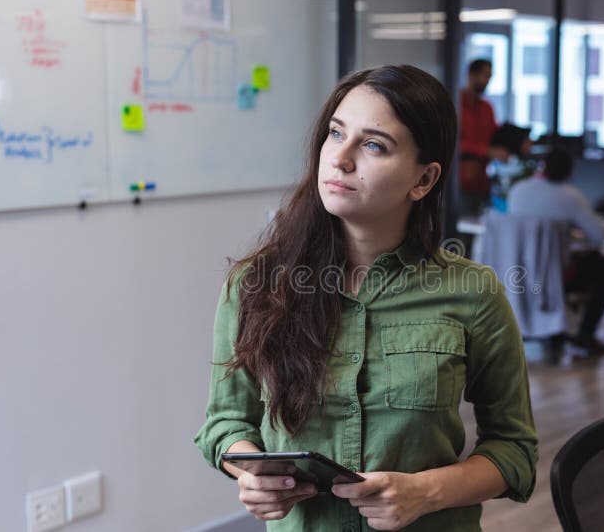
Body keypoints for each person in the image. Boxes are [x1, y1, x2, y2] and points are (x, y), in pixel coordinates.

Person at [194, 65, 537, 531]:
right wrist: (250, 471)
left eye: (373, 145)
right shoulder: (256, 284)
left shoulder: (473, 294)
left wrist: (425, 493)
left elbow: (514, 451)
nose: (341, 158)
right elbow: (226, 423)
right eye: (336, 134)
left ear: (424, 180)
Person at [507, 147, 604, 356]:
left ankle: (557, 326)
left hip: (518, 272)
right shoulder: (570, 196)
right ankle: (585, 335)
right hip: (555, 274)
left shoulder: (518, 191)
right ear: (570, 172)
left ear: (542, 166)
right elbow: (599, 235)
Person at [459, 58, 510, 216]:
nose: (487, 80)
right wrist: (487, 151)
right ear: (471, 75)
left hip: (482, 182)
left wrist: (516, 142)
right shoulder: (456, 103)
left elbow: (495, 136)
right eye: (485, 75)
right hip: (459, 181)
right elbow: (453, 143)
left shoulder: (487, 108)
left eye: (490, 76)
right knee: (459, 235)